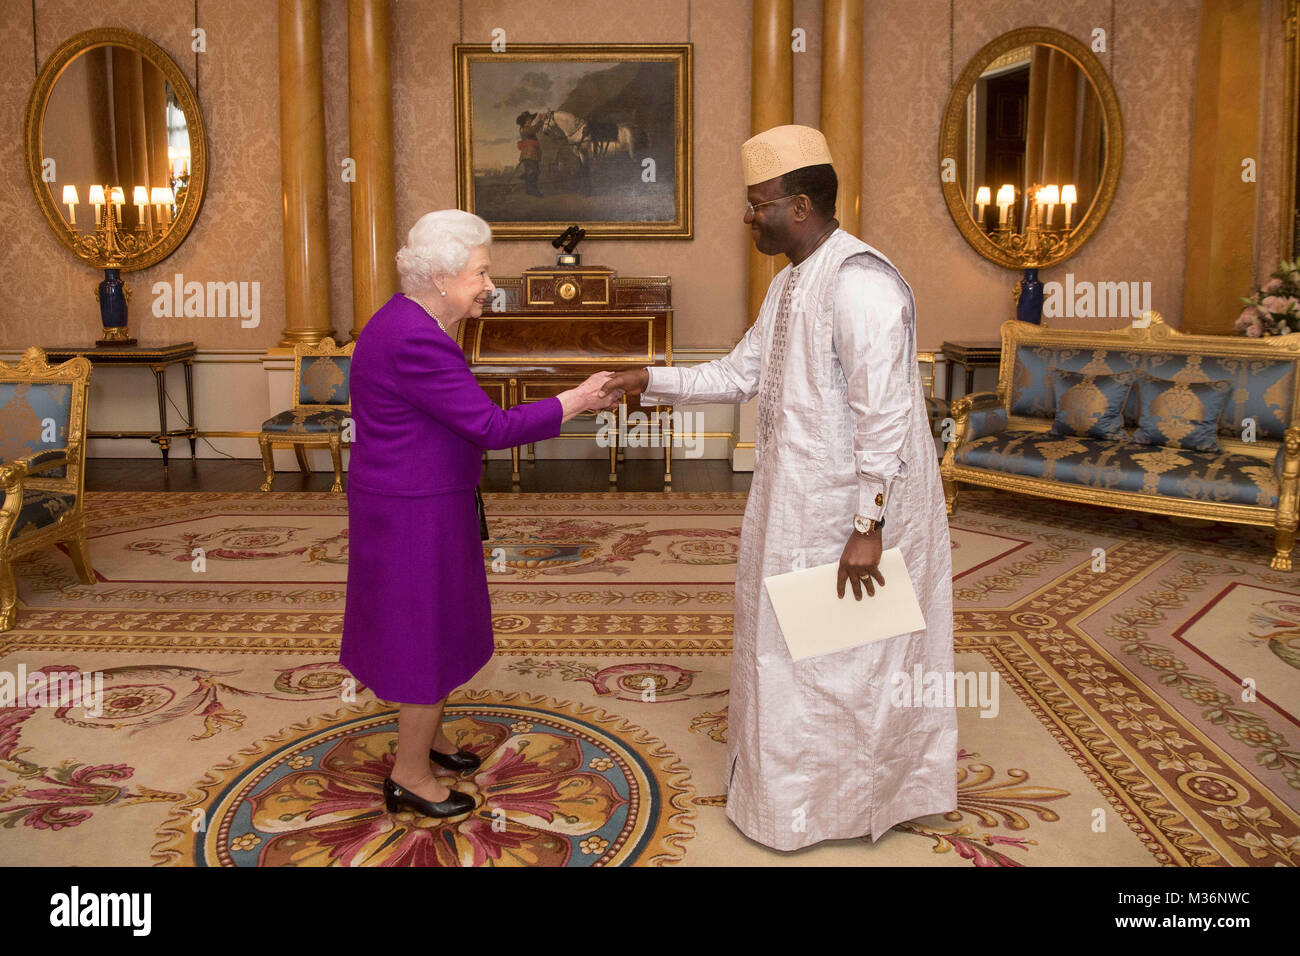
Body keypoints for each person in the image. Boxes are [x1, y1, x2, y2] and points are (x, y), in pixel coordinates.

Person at [600, 125, 956, 851]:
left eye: (757, 203)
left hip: (856, 512)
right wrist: (649, 380)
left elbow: (886, 417)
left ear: (799, 206)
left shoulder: (860, 284)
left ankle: (857, 802)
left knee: (856, 657)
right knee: (795, 653)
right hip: (795, 503)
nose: (747, 217)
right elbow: (739, 374)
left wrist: (869, 527)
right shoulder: (790, 282)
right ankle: (794, 800)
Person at [340, 209, 619, 819]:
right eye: (480, 273)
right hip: (414, 513)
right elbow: (491, 427)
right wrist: (577, 400)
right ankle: (410, 775)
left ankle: (429, 740)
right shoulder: (415, 337)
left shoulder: (406, 319)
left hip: (418, 498)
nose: (489, 285)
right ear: (441, 278)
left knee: (436, 625)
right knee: (423, 635)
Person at [515, 111, 545, 198]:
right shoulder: (526, 129)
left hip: (531, 154)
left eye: (530, 119)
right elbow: (534, 129)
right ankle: (534, 191)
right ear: (524, 122)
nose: (530, 121)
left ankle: (528, 189)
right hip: (529, 154)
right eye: (527, 120)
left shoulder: (526, 128)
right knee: (533, 172)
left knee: (532, 172)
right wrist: (541, 121)